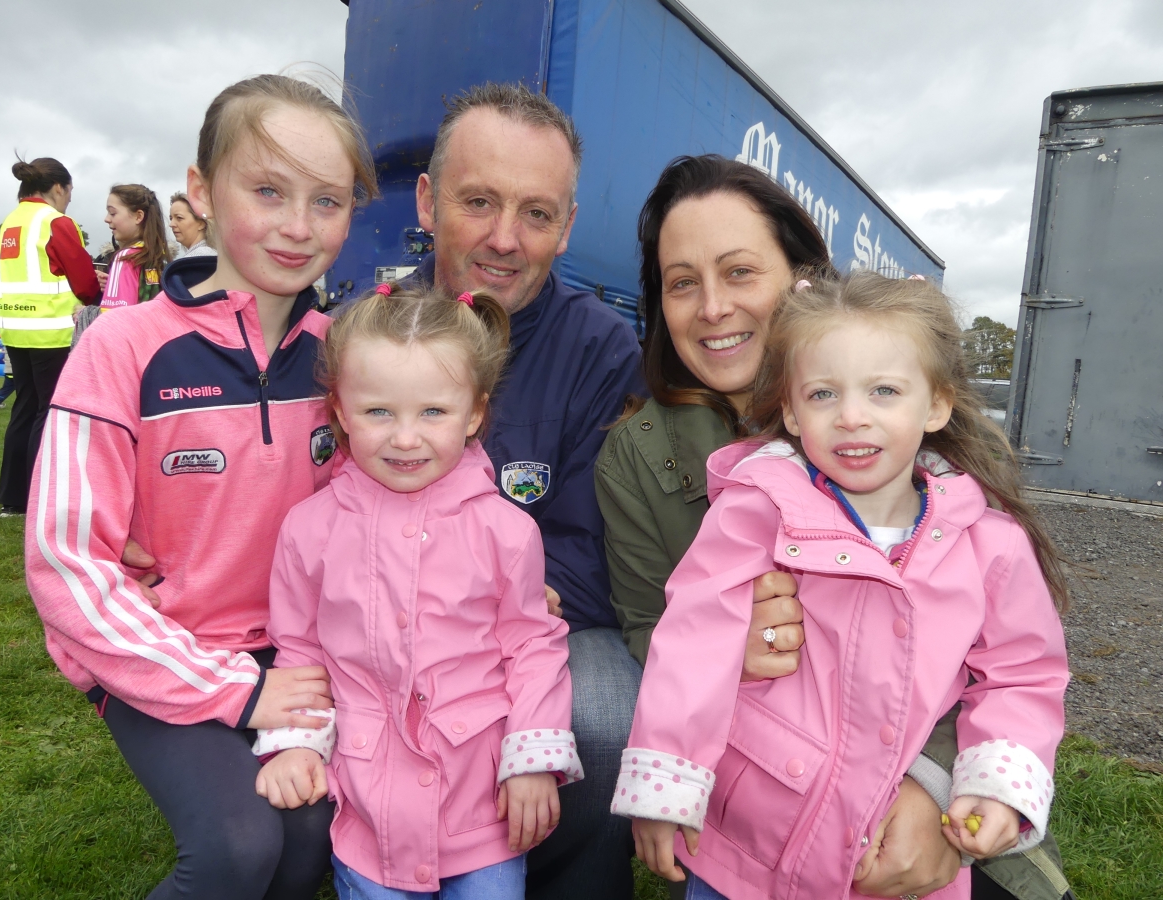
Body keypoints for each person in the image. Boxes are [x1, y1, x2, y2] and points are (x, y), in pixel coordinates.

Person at [341, 84, 803, 900]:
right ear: (426, 198)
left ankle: (569, 878)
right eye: (478, 202)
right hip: (374, 614)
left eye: (538, 214)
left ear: (569, 224)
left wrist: (464, 604)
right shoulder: (362, 332)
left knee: (597, 715)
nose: (505, 240)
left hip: (539, 623)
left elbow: (601, 555)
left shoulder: (600, 347)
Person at [597, 154, 1074, 900]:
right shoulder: (680, 467)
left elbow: (1018, 665)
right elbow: (662, 629)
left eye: (740, 271)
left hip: (915, 792)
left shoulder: (962, 502)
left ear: (802, 278)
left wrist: (952, 782)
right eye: (682, 282)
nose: (713, 306)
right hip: (758, 825)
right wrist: (730, 658)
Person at [24, 73, 379, 899]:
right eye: (267, 190)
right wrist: (238, 690)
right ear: (201, 191)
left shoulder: (343, 357)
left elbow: (394, 492)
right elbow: (66, 564)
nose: (298, 227)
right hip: (159, 654)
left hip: (292, 652)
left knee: (311, 839)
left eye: (328, 201)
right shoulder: (123, 349)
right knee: (237, 848)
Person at [256, 282, 583, 898]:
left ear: (476, 413)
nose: (406, 438)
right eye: (379, 412)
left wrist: (533, 757)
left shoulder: (507, 530)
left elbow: (534, 649)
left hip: (479, 806)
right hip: (367, 806)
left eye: (433, 412)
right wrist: (294, 746)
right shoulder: (309, 529)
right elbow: (298, 650)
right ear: (341, 411)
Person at [0, 156, 101, 517]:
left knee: (24, 407)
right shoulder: (55, 222)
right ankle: (42, 496)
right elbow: (84, 282)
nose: (69, 200)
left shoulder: (10, 224)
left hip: (13, 328)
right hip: (50, 329)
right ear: (58, 188)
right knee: (49, 411)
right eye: (69, 192)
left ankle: (13, 498)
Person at [101, 183, 171, 310]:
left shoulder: (125, 257)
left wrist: (83, 313)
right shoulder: (160, 257)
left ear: (138, 216)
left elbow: (112, 318)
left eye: (112, 213)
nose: (106, 219)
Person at [170, 191, 217, 259]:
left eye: (179, 218)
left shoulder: (196, 259)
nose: (171, 224)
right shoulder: (212, 255)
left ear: (201, 223)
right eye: (171, 218)